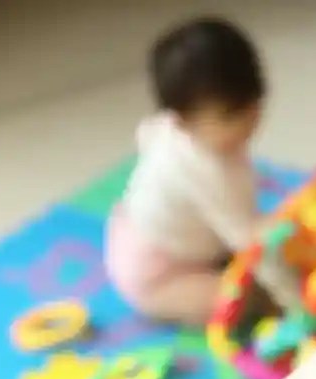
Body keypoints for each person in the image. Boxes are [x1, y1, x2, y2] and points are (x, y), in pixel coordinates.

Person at [104, 17, 302, 326]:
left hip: (169, 236)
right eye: (230, 116)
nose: (249, 122)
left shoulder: (176, 130)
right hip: (158, 275)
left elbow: (147, 133)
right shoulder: (208, 173)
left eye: (253, 105)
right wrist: (295, 300)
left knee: (263, 247)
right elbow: (252, 244)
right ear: (182, 121)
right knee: (243, 299)